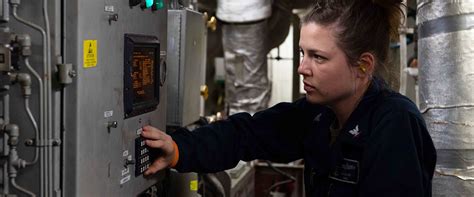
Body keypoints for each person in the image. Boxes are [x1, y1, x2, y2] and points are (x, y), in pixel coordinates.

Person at [141, 0, 437, 196]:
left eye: (318, 57)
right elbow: (247, 133)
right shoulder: (319, 114)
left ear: (363, 65)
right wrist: (179, 149)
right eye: (302, 53)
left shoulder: (395, 123)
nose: (302, 68)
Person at [217, 0, 273, 115]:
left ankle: (243, 122)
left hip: (244, 14)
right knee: (244, 93)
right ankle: (243, 124)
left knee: (242, 86)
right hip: (243, 13)